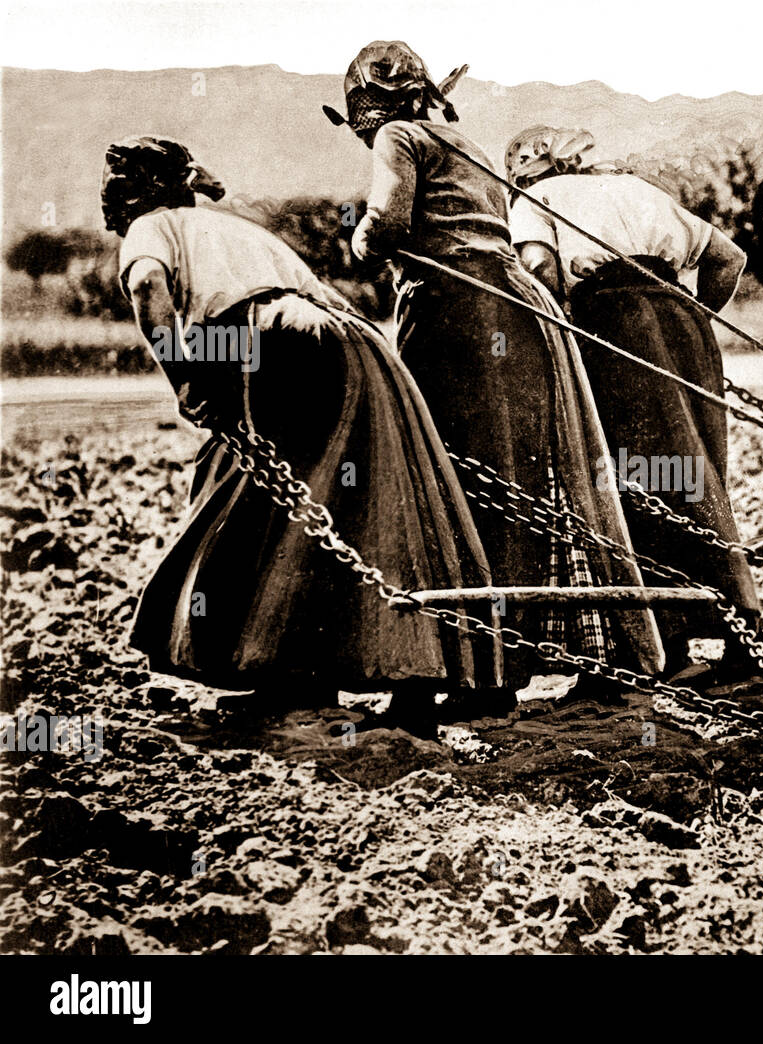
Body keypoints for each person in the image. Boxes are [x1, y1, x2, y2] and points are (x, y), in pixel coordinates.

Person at [105, 135, 504, 715]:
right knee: (367, 500)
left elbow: (147, 286)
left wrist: (184, 377)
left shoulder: (153, 225)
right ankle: (409, 677)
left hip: (272, 340)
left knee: (261, 499)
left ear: (135, 199)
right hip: (354, 342)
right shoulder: (240, 231)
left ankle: (287, 671)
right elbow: (320, 304)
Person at [325, 42, 663, 690]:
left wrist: (361, 240)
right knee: (521, 482)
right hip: (518, 311)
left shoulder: (398, 138)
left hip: (456, 314)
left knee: (455, 480)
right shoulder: (469, 143)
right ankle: (520, 656)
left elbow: (389, 223)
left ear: (372, 104)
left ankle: (482, 672)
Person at [505, 126, 761, 675]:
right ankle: (745, 631)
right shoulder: (636, 188)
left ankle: (670, 644)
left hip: (612, 328)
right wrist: (689, 318)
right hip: (685, 327)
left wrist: (567, 328)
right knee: (697, 472)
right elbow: (728, 259)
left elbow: (539, 268)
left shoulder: (535, 200)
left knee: (637, 479)